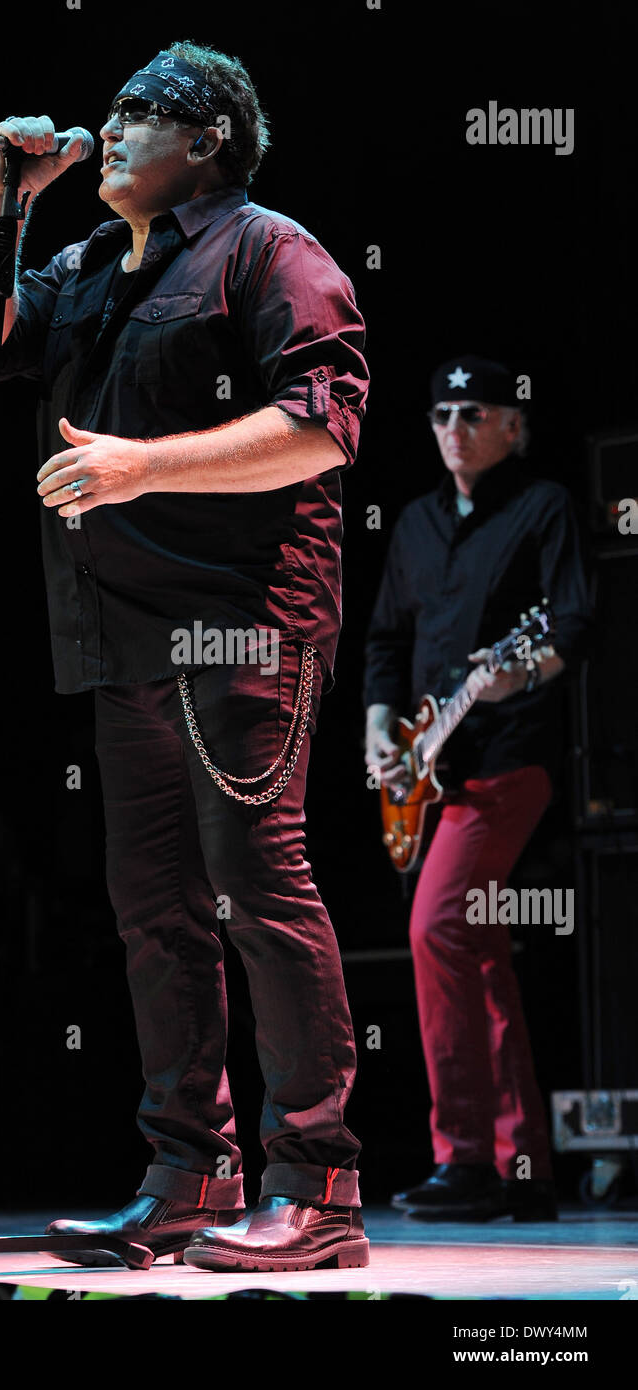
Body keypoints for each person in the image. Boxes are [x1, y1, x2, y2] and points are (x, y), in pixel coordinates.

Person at [0, 44, 370, 1271]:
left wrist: (143, 464)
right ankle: (188, 1171)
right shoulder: (87, 266)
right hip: (120, 637)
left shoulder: (268, 249)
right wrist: (3, 206)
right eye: (112, 112)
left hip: (240, 622)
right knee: (155, 915)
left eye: (142, 115)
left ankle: (319, 1181)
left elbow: (321, 430)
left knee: (258, 891)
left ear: (211, 139)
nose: (111, 131)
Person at [364, 355, 590, 1222]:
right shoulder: (416, 523)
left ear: (511, 425)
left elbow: (575, 623)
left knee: (436, 928)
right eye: (440, 415)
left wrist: (518, 673)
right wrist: (381, 737)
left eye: (471, 413)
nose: (452, 430)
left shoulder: (544, 508)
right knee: (480, 955)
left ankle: (461, 1159)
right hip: (430, 772)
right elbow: (384, 641)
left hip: (510, 758)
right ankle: (522, 1167)